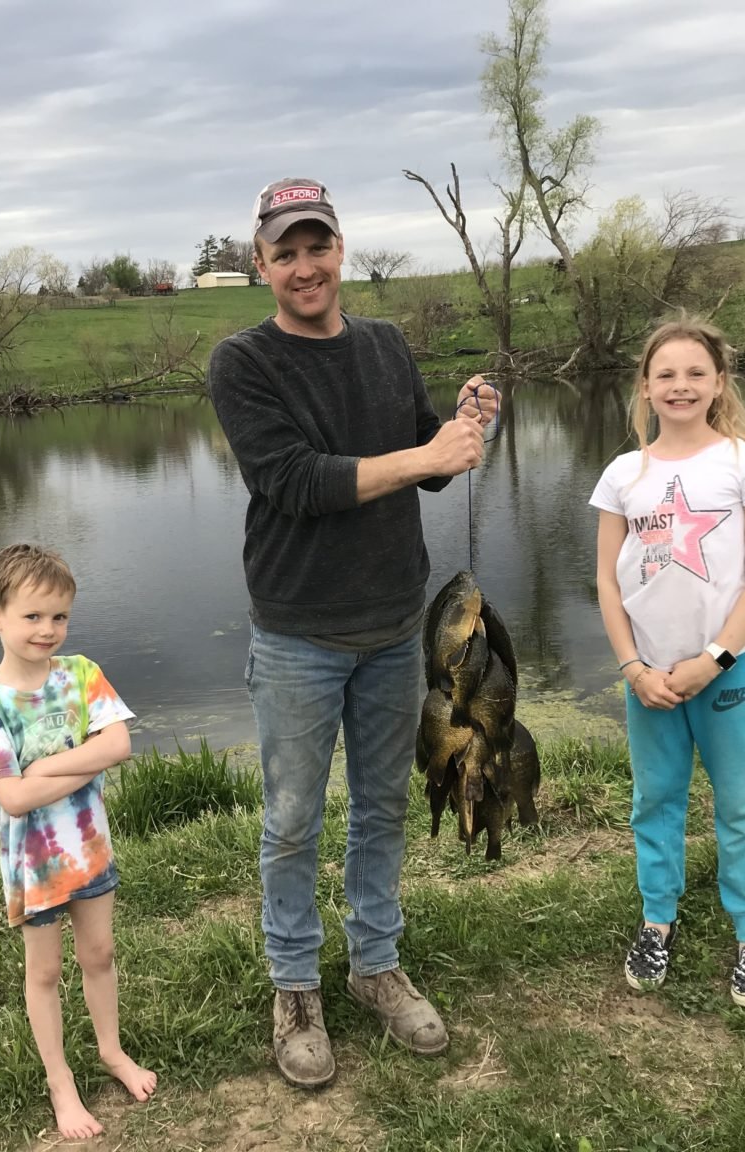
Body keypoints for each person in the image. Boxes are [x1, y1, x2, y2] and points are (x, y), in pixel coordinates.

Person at [207, 176, 497, 1088]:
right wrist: (426, 455)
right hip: (298, 633)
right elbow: (298, 480)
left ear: (341, 251)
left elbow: (429, 469)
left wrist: (462, 427)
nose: (304, 267)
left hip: (390, 627)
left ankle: (376, 965)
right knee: (292, 820)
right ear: (261, 265)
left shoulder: (383, 346)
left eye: (316, 246)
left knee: (382, 808)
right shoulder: (241, 362)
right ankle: (295, 988)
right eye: (285, 252)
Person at [589, 317, 745, 1007]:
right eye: (665, 374)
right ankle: (656, 921)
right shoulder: (623, 475)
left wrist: (714, 658)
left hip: (725, 674)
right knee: (656, 801)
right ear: (645, 387)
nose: (680, 386)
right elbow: (608, 584)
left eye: (695, 373)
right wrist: (632, 668)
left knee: (738, 803)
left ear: (719, 383)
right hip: (649, 681)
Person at [0, 544, 157, 1138]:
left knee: (100, 955)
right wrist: (78, 764)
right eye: (32, 616)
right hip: (34, 868)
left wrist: (39, 769)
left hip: (91, 850)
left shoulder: (81, 674)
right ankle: (60, 1081)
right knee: (43, 975)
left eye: (59, 617)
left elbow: (117, 746)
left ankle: (111, 1051)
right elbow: (11, 800)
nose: (48, 630)